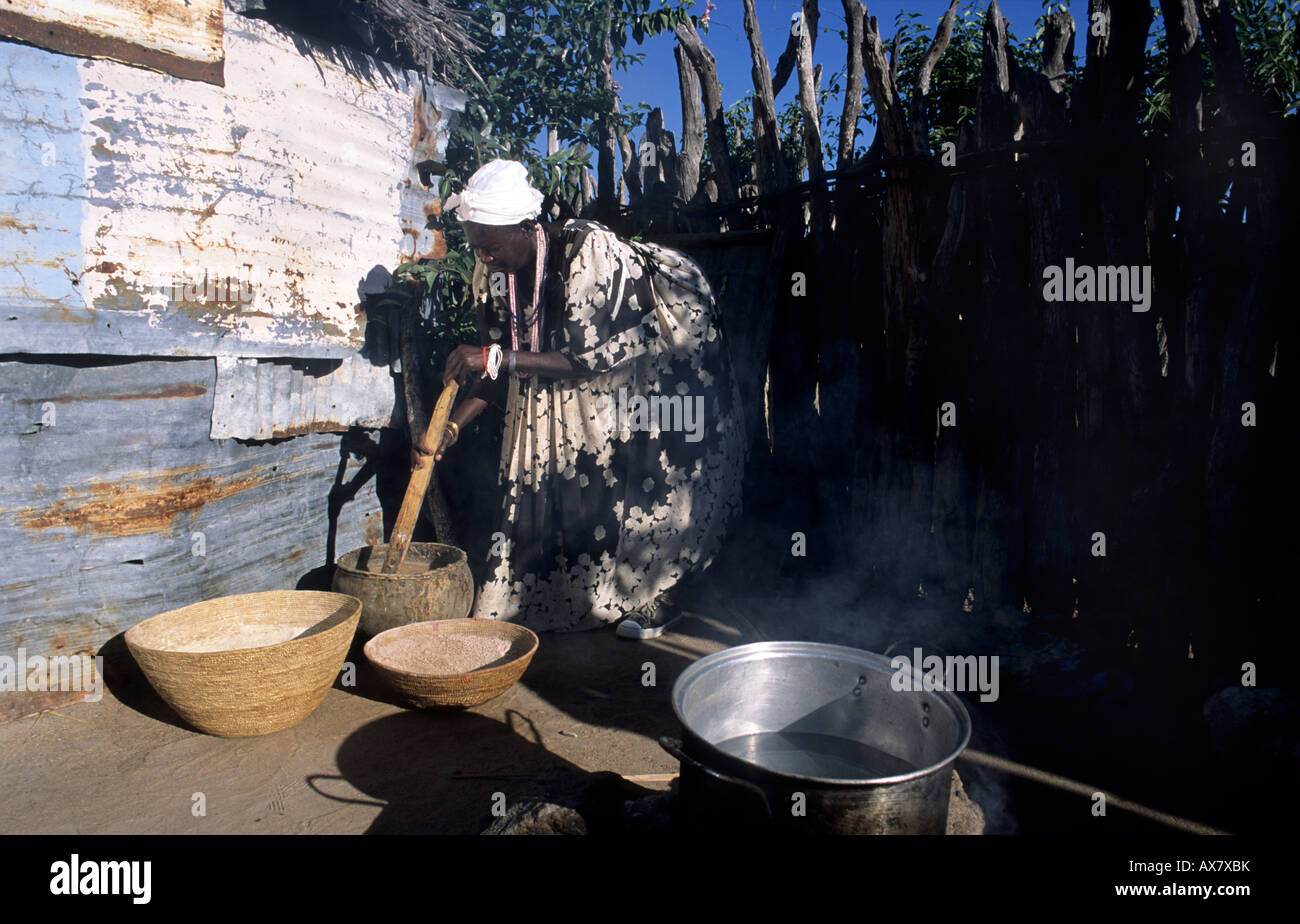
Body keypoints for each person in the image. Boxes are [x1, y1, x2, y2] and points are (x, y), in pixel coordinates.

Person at [418, 159, 743, 639]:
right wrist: (449, 430)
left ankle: (662, 592)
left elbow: (583, 360)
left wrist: (498, 357)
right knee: (581, 473)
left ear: (526, 228)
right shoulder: (494, 273)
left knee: (654, 470)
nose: (483, 257)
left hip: (661, 354)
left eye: (490, 246)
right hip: (594, 372)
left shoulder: (585, 251)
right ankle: (580, 589)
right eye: (476, 247)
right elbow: (494, 370)